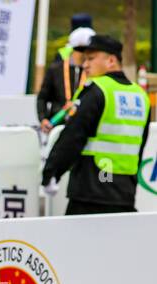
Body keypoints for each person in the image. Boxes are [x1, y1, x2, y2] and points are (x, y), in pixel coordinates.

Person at [42, 34, 151, 216]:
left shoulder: (96, 90)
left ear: (110, 61)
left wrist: (52, 173)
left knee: (77, 243)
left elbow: (74, 136)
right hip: (125, 192)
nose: (85, 65)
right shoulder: (140, 96)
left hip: (91, 191)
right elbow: (140, 144)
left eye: (91, 59)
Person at [37, 26, 93, 131]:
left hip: (84, 125)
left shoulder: (94, 72)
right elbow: (42, 97)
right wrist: (43, 119)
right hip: (57, 123)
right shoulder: (56, 69)